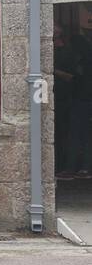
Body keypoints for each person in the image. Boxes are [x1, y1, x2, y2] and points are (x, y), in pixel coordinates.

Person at [55, 22, 92, 176]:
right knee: (82, 133)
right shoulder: (82, 59)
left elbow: (73, 78)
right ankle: (82, 167)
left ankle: (75, 167)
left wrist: (53, 70)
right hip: (80, 99)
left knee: (77, 133)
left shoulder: (80, 61)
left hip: (80, 99)